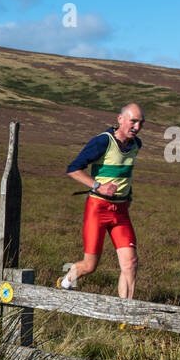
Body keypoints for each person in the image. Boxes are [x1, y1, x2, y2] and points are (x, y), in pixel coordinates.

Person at [57, 103, 144, 299]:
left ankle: (126, 316)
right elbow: (73, 169)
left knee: (130, 263)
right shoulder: (102, 142)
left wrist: (128, 195)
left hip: (121, 211)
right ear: (120, 119)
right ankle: (66, 281)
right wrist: (98, 186)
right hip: (98, 208)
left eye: (141, 123)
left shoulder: (136, 145)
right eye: (133, 121)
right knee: (90, 266)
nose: (137, 127)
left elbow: (125, 174)